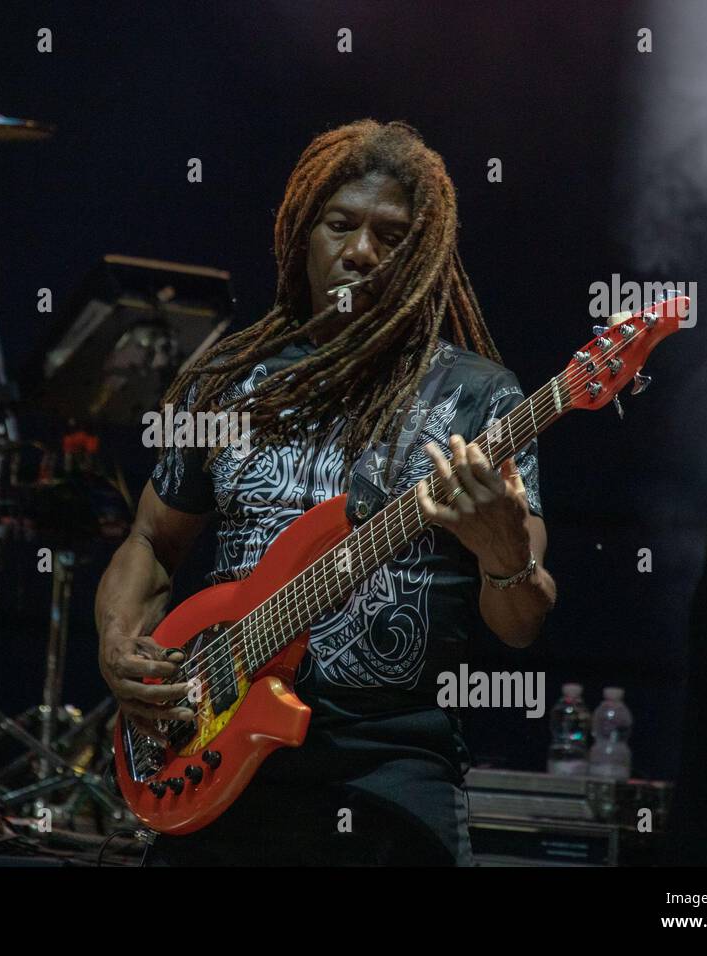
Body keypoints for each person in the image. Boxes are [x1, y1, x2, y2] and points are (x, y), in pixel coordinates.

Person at [95, 120, 557, 865]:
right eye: (339, 225)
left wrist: (505, 554)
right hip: (216, 750)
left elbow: (521, 624)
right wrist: (118, 645)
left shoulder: (479, 401)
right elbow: (151, 541)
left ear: (424, 256)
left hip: (386, 777)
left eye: (391, 236)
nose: (361, 252)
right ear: (300, 235)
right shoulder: (231, 381)